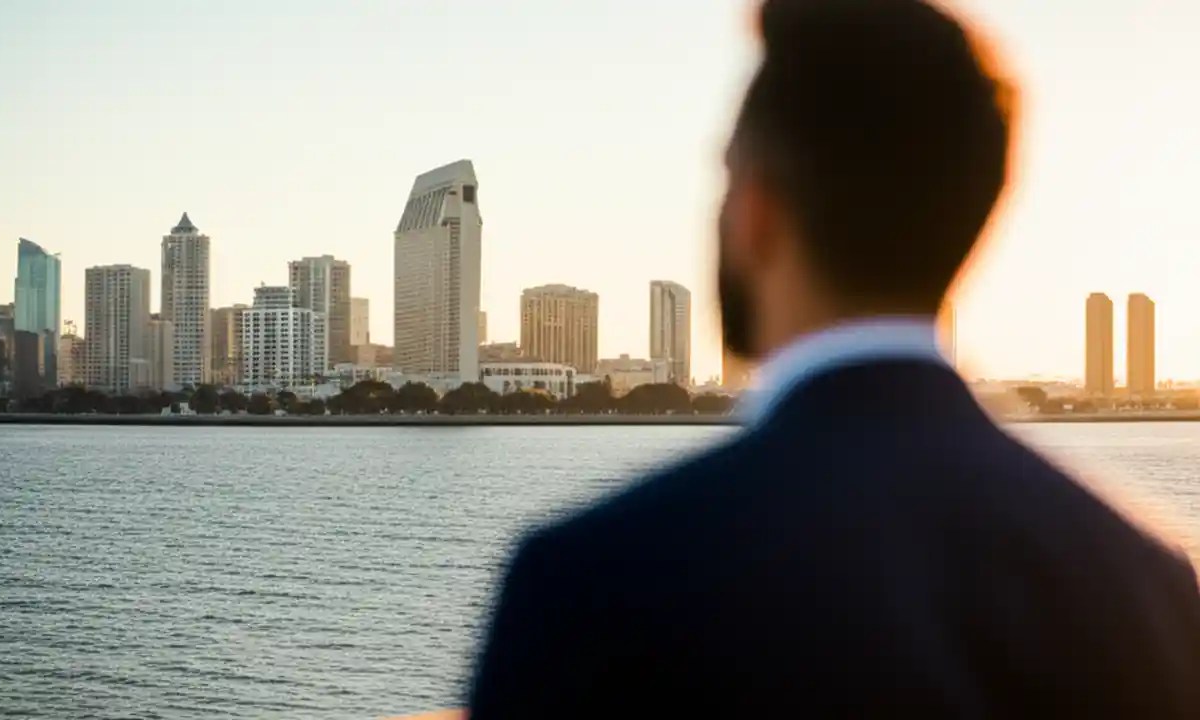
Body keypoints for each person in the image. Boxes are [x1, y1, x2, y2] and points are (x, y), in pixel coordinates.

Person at [467, 0, 1200, 717]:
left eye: (725, 179)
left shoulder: (587, 583)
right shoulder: (1152, 590)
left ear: (756, 213)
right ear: (970, 217)